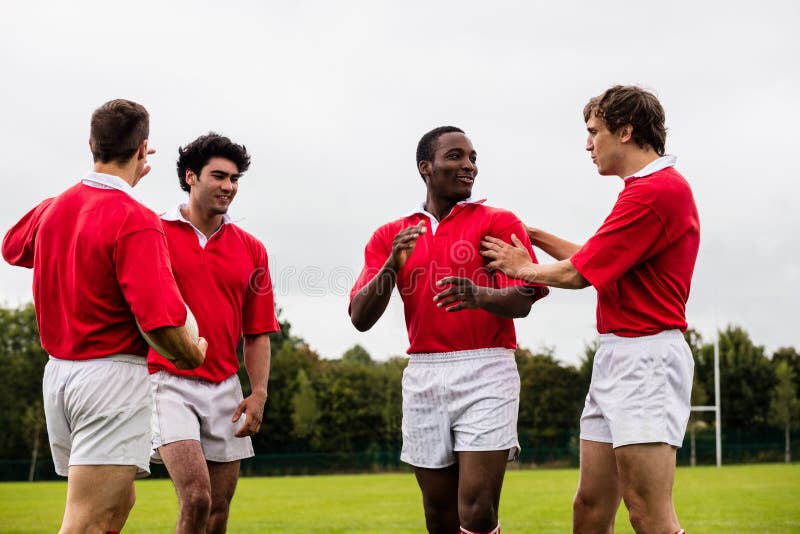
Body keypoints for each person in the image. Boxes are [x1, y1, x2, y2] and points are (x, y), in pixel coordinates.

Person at [481, 85, 699, 534]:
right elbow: (595, 257)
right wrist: (535, 235)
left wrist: (523, 267)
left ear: (625, 131)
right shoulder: (642, 190)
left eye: (593, 131)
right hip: (619, 357)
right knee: (591, 507)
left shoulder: (656, 191)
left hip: (647, 360)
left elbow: (579, 274)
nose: (587, 144)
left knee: (646, 512)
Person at [2, 99, 206, 534]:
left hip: (60, 376)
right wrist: (194, 353)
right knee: (89, 522)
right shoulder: (136, 219)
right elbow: (160, 323)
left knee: (117, 503)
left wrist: (77, 203)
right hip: (108, 379)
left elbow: (12, 246)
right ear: (143, 150)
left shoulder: (54, 206)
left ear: (91, 144)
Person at [349, 126, 548, 534]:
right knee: (439, 515)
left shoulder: (499, 221)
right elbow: (360, 317)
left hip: (488, 368)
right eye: (456, 156)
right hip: (423, 372)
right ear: (426, 167)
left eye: (473, 158)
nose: (468, 166)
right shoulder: (391, 235)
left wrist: (480, 296)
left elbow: (524, 301)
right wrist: (392, 264)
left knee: (476, 510)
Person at [148, 133, 280, 534]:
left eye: (234, 179)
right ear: (191, 177)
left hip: (225, 388)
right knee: (196, 496)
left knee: (218, 511)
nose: (228, 186)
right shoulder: (152, 232)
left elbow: (257, 332)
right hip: (167, 381)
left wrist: (258, 392)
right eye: (218, 176)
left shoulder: (252, 248)